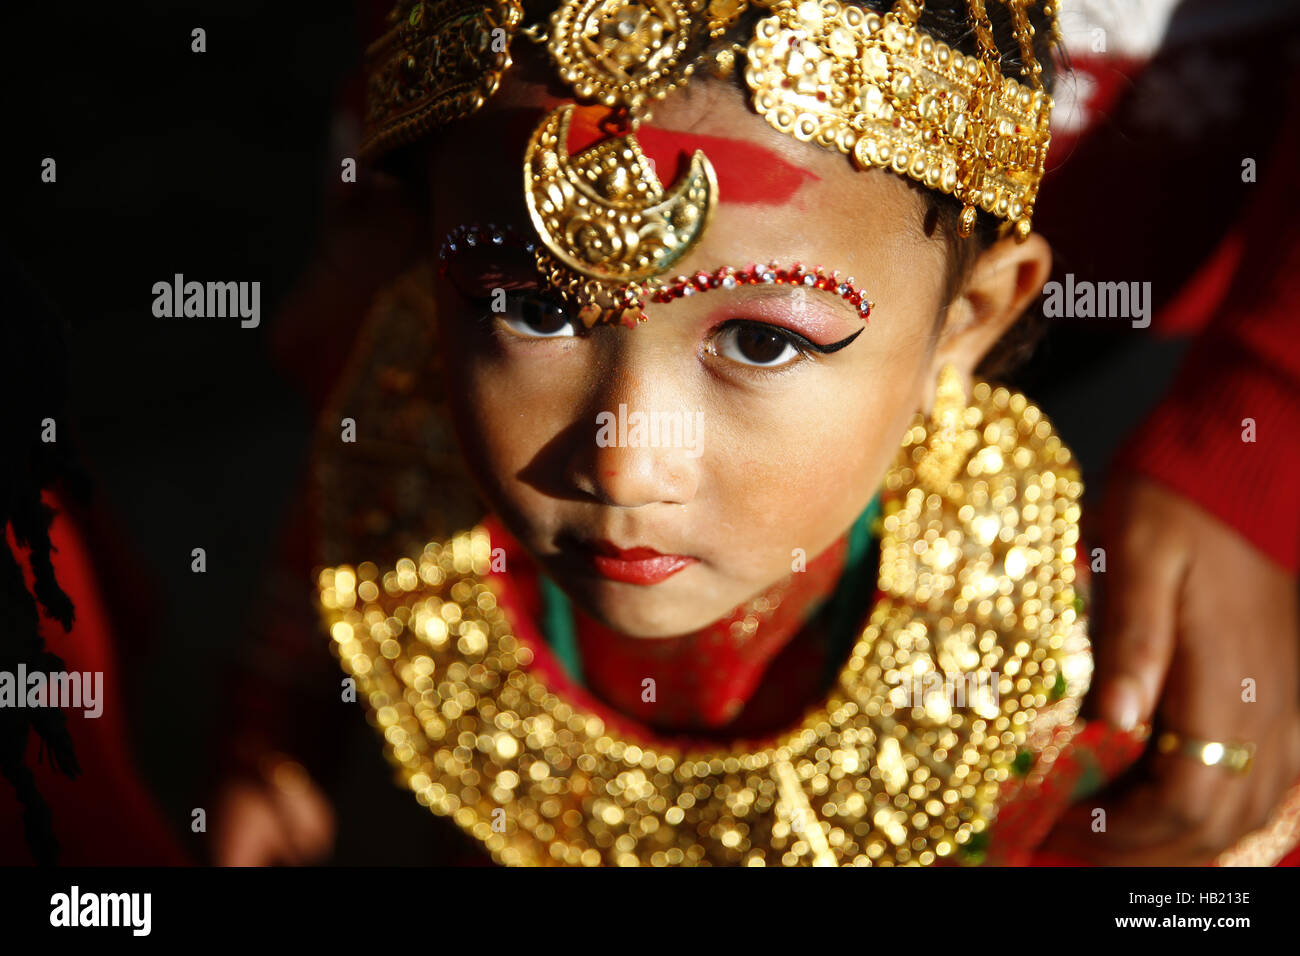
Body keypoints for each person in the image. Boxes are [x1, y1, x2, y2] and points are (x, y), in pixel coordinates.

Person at [212, 0, 1300, 865]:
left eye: (763, 341)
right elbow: (331, 557)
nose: (623, 457)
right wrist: (278, 742)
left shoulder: (1070, 678)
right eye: (534, 307)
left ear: (967, 321)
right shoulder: (414, 458)